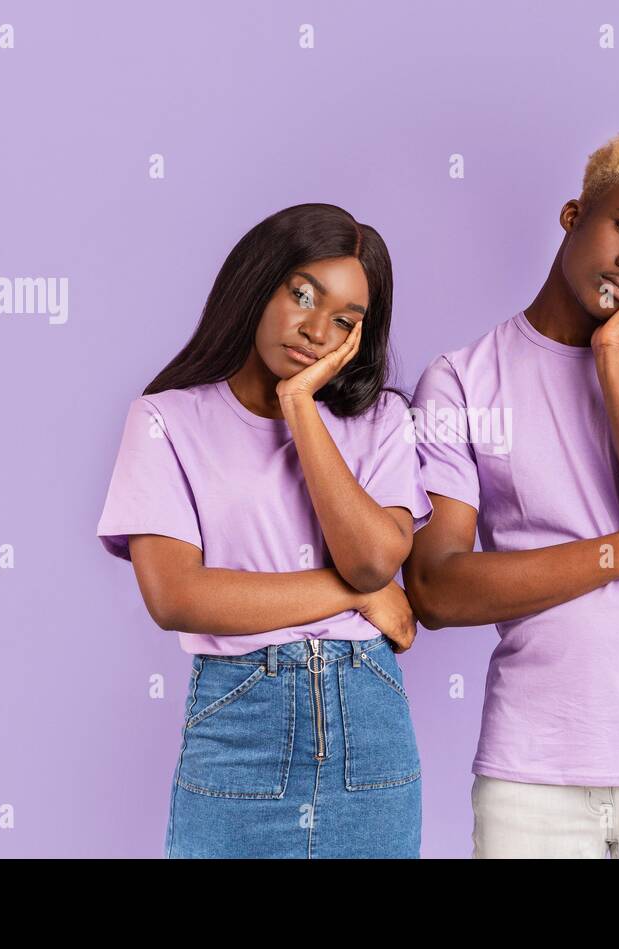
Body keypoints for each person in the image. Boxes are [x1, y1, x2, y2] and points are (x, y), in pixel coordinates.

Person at [403, 128, 619, 858]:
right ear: (573, 216)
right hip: (533, 774)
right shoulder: (463, 380)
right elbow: (436, 586)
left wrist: (613, 353)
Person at [96, 203, 431, 859]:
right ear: (259, 281)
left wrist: (299, 403)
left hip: (369, 723)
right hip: (239, 723)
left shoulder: (383, 420)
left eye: (343, 321)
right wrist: (356, 598)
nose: (314, 329)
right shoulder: (165, 421)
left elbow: (372, 559)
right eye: (302, 294)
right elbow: (177, 597)